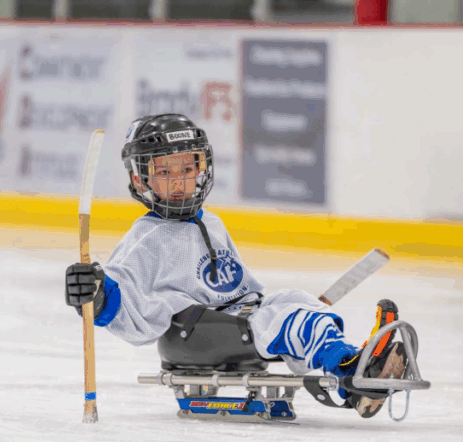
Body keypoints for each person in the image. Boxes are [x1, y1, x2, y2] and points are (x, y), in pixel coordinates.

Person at [64, 113, 409, 418]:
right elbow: (121, 289)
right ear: (141, 179)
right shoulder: (146, 237)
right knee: (281, 318)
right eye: (164, 172)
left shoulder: (211, 223)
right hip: (194, 334)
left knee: (293, 299)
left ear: (202, 168)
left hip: (231, 320)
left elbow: (244, 291)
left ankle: (350, 372)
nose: (180, 181)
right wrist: (96, 292)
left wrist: (276, 307)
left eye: (187, 168)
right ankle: (351, 366)